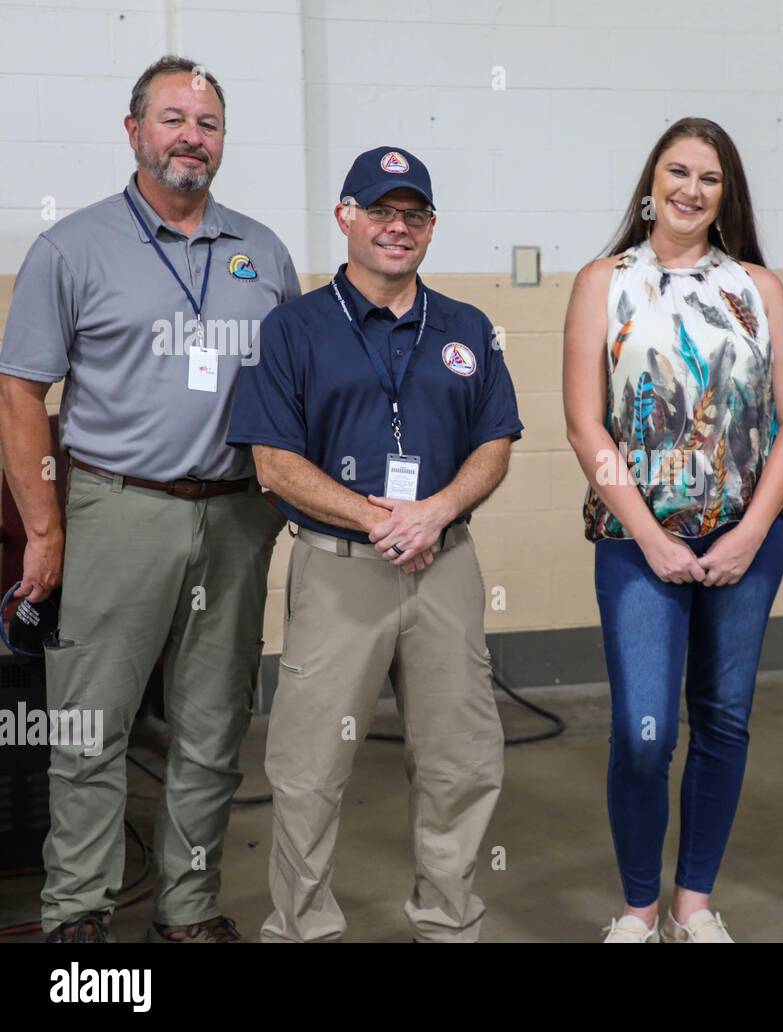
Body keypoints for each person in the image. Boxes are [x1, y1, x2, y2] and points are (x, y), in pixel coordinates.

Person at [0, 55, 299, 943]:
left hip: (239, 517)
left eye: (206, 125)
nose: (190, 138)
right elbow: (21, 395)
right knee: (91, 727)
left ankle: (188, 910)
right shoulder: (72, 248)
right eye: (172, 120)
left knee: (212, 729)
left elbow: (298, 389)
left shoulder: (263, 251)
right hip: (116, 509)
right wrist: (45, 530)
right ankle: (77, 917)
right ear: (134, 132)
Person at [227, 145, 522, 943]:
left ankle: (449, 919)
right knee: (309, 767)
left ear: (431, 227)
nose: (398, 228)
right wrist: (378, 518)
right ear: (345, 219)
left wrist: (435, 513)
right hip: (339, 571)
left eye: (414, 214)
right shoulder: (292, 329)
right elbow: (273, 461)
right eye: (381, 212)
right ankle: (303, 927)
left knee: (460, 760)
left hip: (445, 566)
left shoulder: (466, 328)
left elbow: (495, 442)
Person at [563, 117, 783, 943]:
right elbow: (586, 429)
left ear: (724, 195)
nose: (691, 189)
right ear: (650, 183)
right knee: (644, 733)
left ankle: (693, 904)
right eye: (678, 171)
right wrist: (653, 537)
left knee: (724, 720)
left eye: (710, 178)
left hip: (747, 543)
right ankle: (636, 909)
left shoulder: (760, 289)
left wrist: (749, 534)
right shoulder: (604, 281)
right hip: (637, 543)